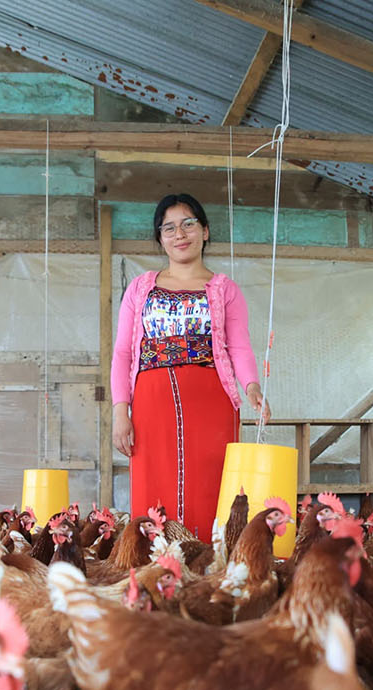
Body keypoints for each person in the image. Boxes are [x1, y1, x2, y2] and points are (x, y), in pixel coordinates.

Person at [110, 194, 270, 543]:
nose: (179, 234)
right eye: (169, 228)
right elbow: (123, 351)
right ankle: (155, 568)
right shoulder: (140, 288)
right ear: (160, 238)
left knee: (210, 483)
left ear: (205, 231)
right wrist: (120, 410)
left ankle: (209, 571)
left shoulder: (225, 289)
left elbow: (239, 345)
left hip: (212, 400)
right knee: (155, 481)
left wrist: (252, 386)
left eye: (188, 224)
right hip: (151, 402)